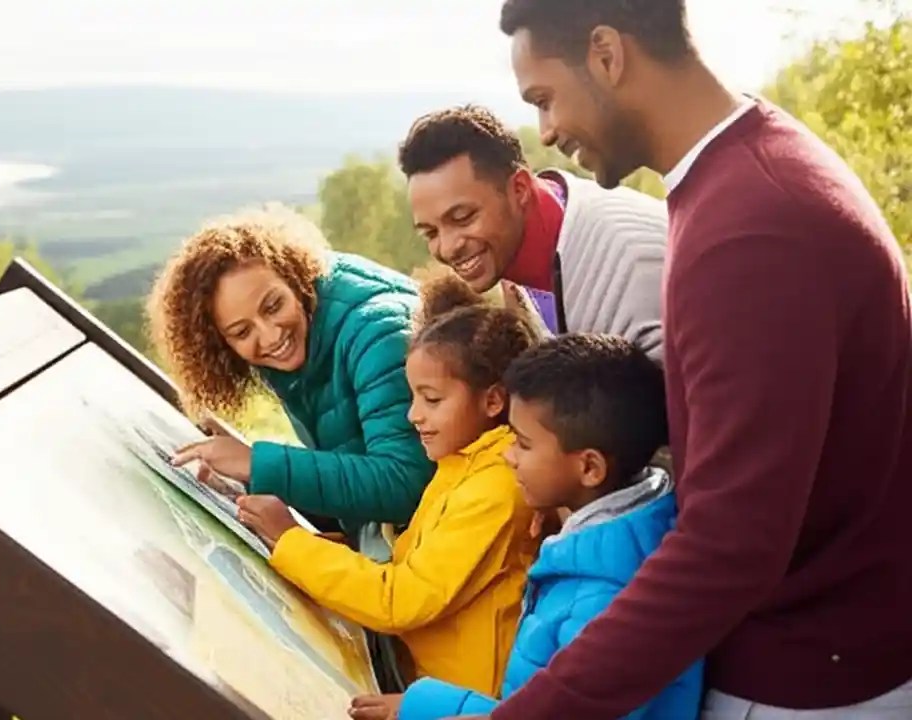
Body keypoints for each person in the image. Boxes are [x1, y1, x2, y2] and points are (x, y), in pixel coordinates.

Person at [472, 1, 912, 718]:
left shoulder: (752, 230)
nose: (546, 132)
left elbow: (729, 547)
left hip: (806, 677)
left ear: (607, 54)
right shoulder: (751, 170)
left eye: (544, 99)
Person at [236, 271, 540, 700]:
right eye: (413, 397)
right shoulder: (462, 463)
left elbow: (400, 598)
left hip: (458, 700)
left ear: (493, 401)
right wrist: (323, 547)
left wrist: (290, 541)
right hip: (422, 679)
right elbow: (410, 562)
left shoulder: (495, 488)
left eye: (432, 400)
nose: (413, 415)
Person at [372, 334, 702, 720]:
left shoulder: (607, 599)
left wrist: (420, 708)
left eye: (523, 444)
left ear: (590, 468)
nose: (509, 457)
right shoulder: (622, 533)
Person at [147, 204, 435, 545]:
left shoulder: (378, 335)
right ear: (220, 344)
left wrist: (256, 463)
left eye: (273, 306)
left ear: (292, 274)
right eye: (241, 333)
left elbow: (405, 482)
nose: (270, 336)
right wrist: (247, 481)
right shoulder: (298, 340)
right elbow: (352, 459)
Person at [398, 104, 667, 360]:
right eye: (430, 233)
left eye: (463, 218)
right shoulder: (510, 262)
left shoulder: (624, 262)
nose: (447, 248)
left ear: (520, 189)